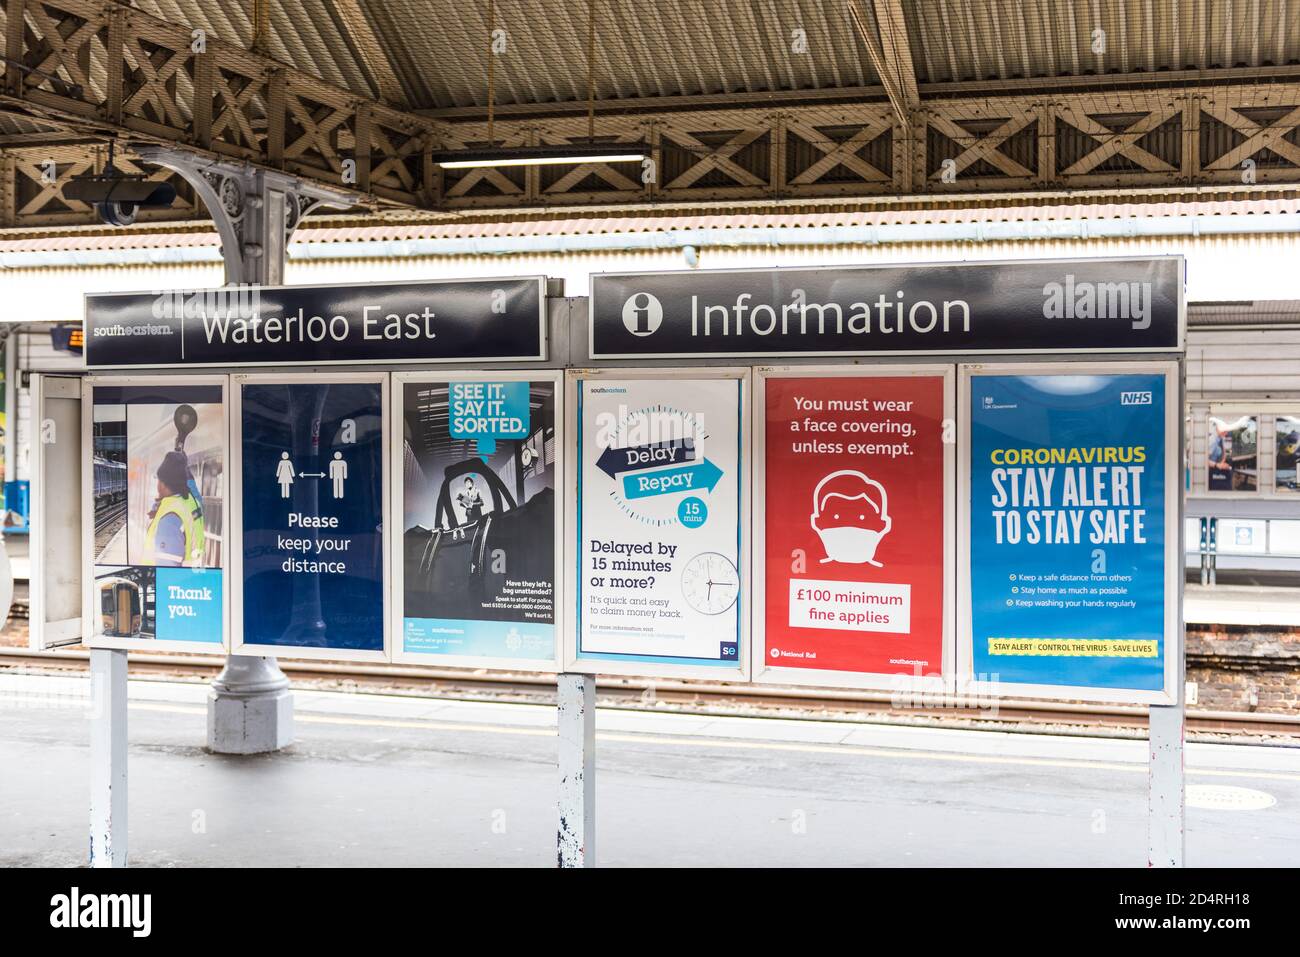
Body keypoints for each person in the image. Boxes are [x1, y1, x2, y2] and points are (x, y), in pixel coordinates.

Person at [146, 450, 205, 567]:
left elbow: (167, 569)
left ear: (162, 484)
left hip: (172, 583)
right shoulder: (192, 502)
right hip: (191, 578)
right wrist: (184, 471)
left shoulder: (169, 520)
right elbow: (197, 497)